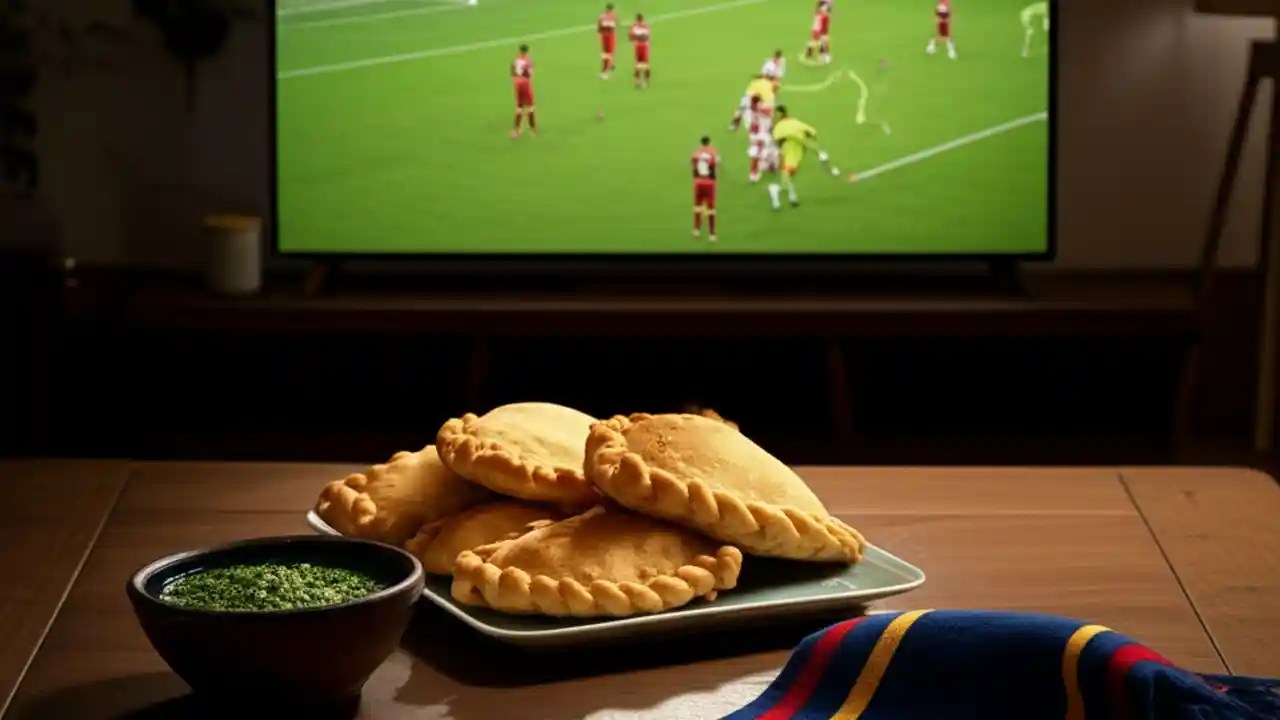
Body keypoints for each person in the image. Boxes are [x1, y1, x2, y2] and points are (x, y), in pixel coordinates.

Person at [769, 105, 825, 209]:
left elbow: (777, 141)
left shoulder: (779, 127)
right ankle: (785, 198)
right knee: (786, 178)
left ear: (780, 114)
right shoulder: (796, 122)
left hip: (795, 154)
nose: (773, 117)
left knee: (788, 177)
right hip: (789, 154)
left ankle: (779, 192)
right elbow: (813, 133)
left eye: (775, 114)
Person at [691, 136, 720, 242]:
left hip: (698, 182)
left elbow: (694, 168)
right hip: (709, 183)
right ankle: (712, 234)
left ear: (701, 143)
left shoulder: (695, 154)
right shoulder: (713, 153)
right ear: (710, 143)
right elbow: (715, 168)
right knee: (711, 209)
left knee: (697, 207)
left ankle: (696, 230)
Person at [511, 44, 537, 138]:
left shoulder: (516, 61)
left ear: (519, 51)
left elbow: (512, 71)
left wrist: (515, 80)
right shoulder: (529, 62)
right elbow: (529, 74)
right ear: (527, 51)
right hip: (526, 84)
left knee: (519, 107)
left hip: (518, 84)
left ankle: (516, 132)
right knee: (530, 107)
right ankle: (533, 129)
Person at [805, 1, 832, 65]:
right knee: (824, 43)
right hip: (821, 31)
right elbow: (823, 25)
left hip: (818, 30)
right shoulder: (822, 15)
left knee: (819, 42)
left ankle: (812, 54)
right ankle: (823, 57)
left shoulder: (818, 14)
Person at [630, 13, 651, 88]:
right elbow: (647, 36)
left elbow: (631, 37)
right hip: (645, 46)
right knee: (645, 64)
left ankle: (637, 80)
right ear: (642, 19)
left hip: (638, 46)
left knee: (638, 64)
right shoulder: (646, 25)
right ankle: (646, 81)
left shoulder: (634, 26)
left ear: (637, 19)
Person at [599, 3, 618, 79]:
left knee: (607, 54)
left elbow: (600, 27)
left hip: (606, 36)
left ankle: (606, 72)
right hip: (609, 36)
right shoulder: (613, 16)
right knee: (607, 54)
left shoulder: (602, 16)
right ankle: (607, 69)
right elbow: (613, 27)